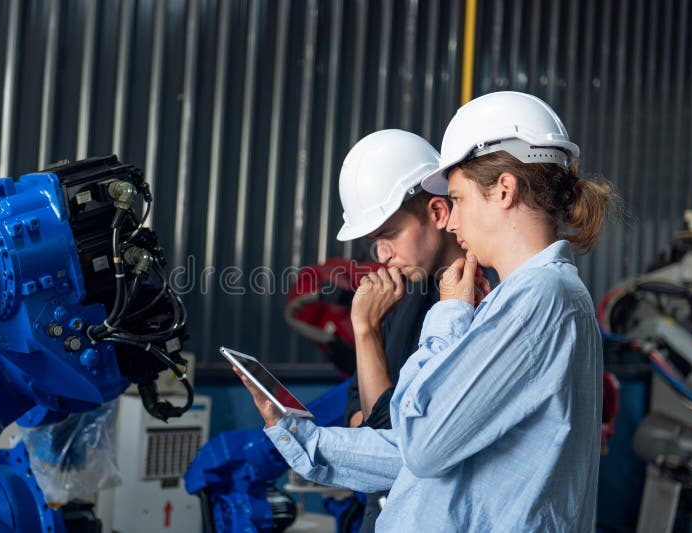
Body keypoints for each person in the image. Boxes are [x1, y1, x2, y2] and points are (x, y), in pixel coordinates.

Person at [236, 91, 615, 531]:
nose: (452, 221)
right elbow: (415, 451)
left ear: (504, 191)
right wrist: (302, 438)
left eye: (458, 199)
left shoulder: (540, 301)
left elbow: (423, 445)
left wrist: (450, 316)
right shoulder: (518, 300)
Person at [335, 129, 474, 531]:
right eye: (374, 241)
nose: (381, 255)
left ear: (437, 213)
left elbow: (392, 446)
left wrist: (365, 331)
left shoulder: (479, 300)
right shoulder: (402, 293)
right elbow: (357, 419)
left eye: (389, 234)